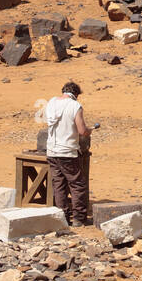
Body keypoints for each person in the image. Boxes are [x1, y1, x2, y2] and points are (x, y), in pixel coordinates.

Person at [44, 81, 92, 226]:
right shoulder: (75, 106)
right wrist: (90, 130)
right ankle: (79, 218)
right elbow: (82, 131)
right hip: (67, 151)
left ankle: (62, 218)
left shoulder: (51, 103)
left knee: (58, 185)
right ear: (75, 94)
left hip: (52, 151)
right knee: (77, 184)